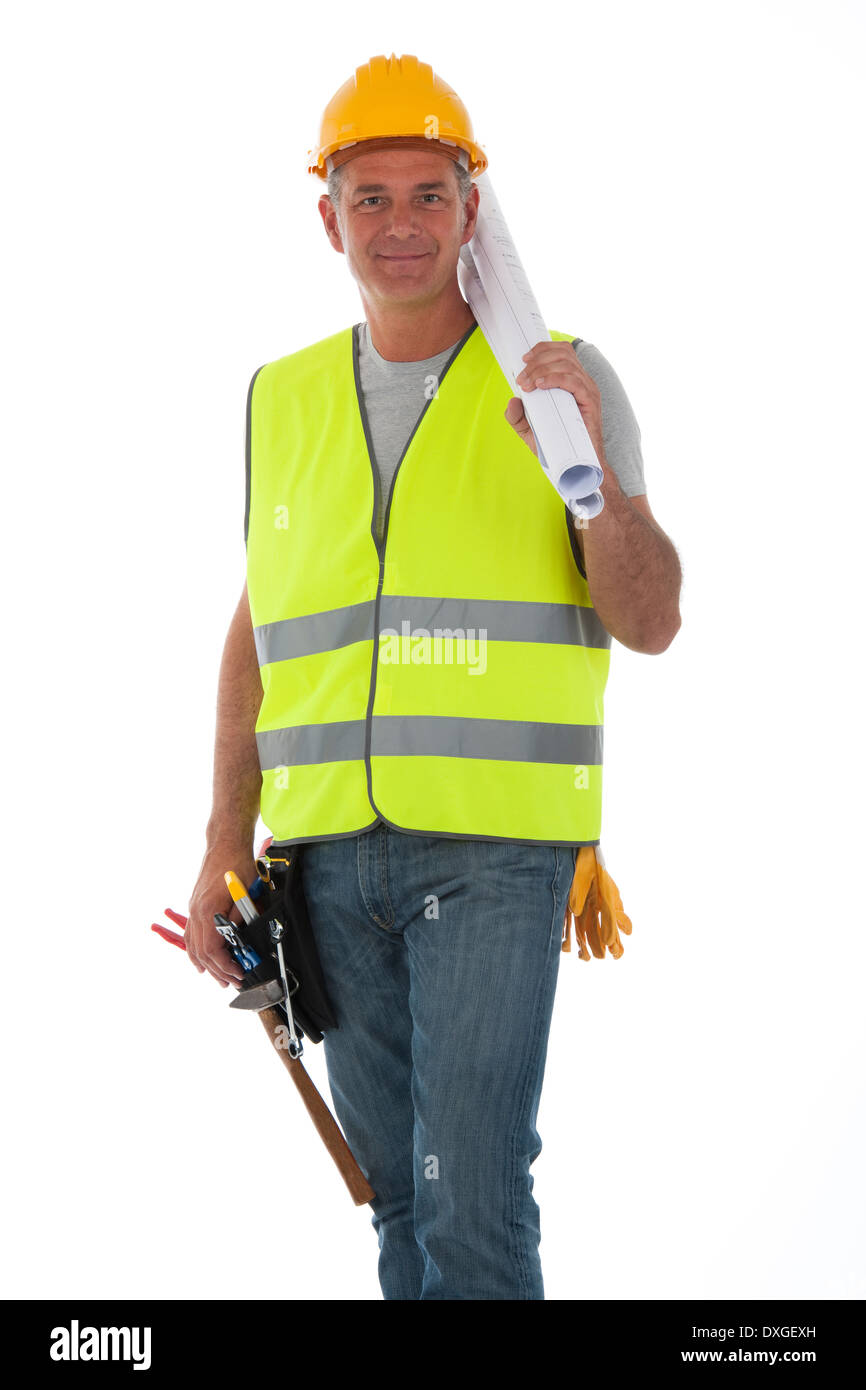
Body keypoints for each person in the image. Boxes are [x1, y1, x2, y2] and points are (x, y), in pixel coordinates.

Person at [184, 54, 682, 1300]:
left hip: (496, 853)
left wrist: (592, 481)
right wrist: (218, 849)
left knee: (469, 1190)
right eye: (371, 197)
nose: (400, 225)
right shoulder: (281, 399)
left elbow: (652, 616)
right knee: (397, 1197)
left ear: (473, 210)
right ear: (328, 217)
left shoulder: (557, 377)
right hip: (326, 864)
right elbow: (258, 633)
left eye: (427, 195)